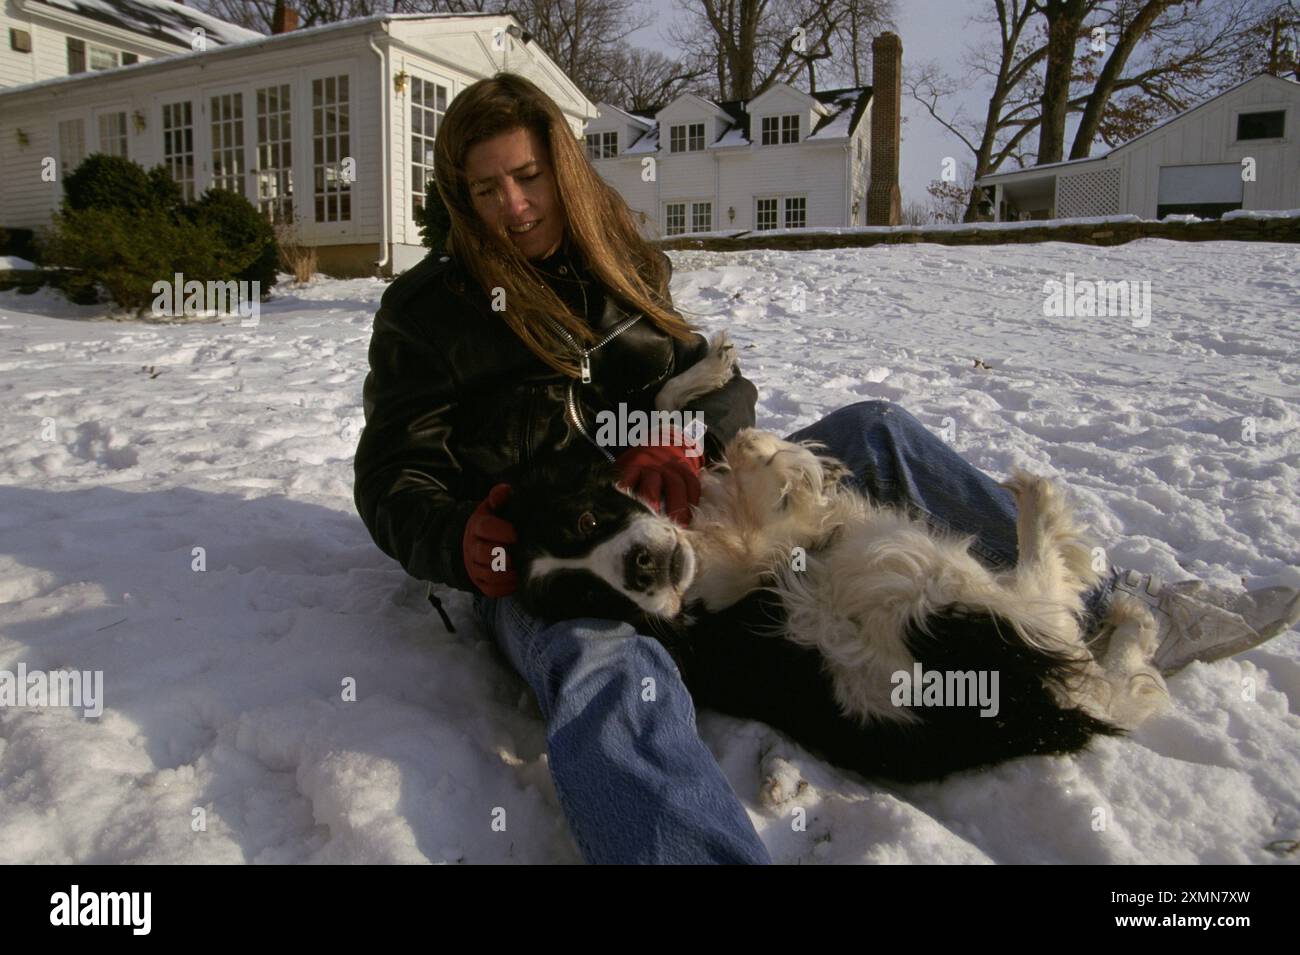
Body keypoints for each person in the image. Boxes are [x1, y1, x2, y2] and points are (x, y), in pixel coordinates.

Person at [353, 72, 1300, 865]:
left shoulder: (619, 259)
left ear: (560, 166)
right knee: (612, 661)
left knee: (874, 426)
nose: (513, 207)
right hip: (548, 559)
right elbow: (394, 474)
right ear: (458, 195)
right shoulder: (427, 311)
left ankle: (1110, 609)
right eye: (485, 189)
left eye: (527, 177)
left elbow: (718, 381)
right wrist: (460, 537)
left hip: (686, 510)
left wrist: (691, 440)